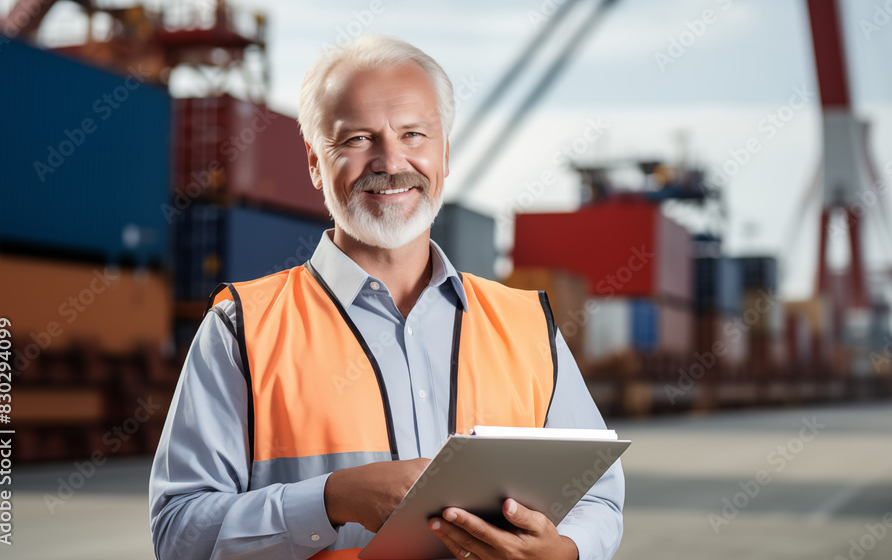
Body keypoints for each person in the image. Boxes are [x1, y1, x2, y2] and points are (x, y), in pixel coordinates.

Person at [149, 33, 624, 560]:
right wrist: (331, 499)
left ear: (445, 153)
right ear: (313, 162)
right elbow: (178, 534)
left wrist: (568, 551)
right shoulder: (242, 329)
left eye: (414, 134)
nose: (389, 160)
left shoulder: (528, 324)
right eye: (356, 139)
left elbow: (599, 494)